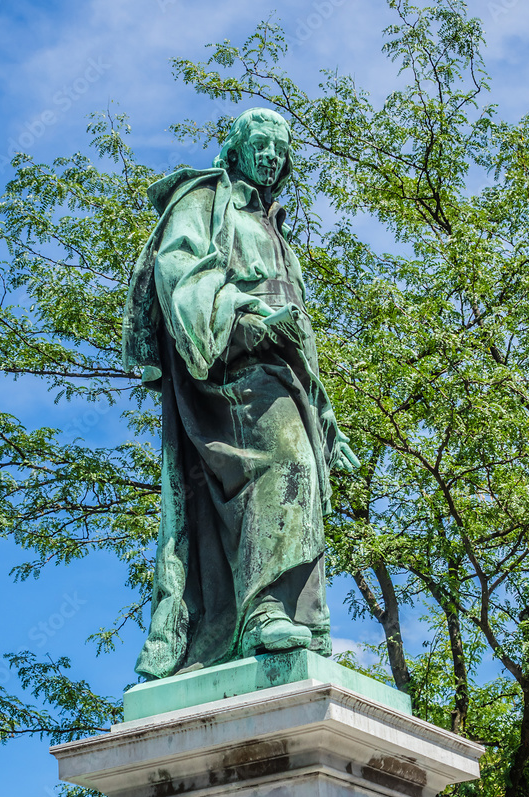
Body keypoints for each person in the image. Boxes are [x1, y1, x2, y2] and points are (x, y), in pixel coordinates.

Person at [123, 107, 358, 680]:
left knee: (305, 473)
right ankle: (264, 612)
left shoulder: (277, 232)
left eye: (282, 147)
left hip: (280, 371)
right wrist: (246, 320)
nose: (272, 155)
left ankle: (295, 612)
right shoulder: (203, 199)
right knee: (283, 461)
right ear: (235, 149)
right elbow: (178, 276)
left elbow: (303, 347)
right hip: (227, 367)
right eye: (262, 144)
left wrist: (327, 425)